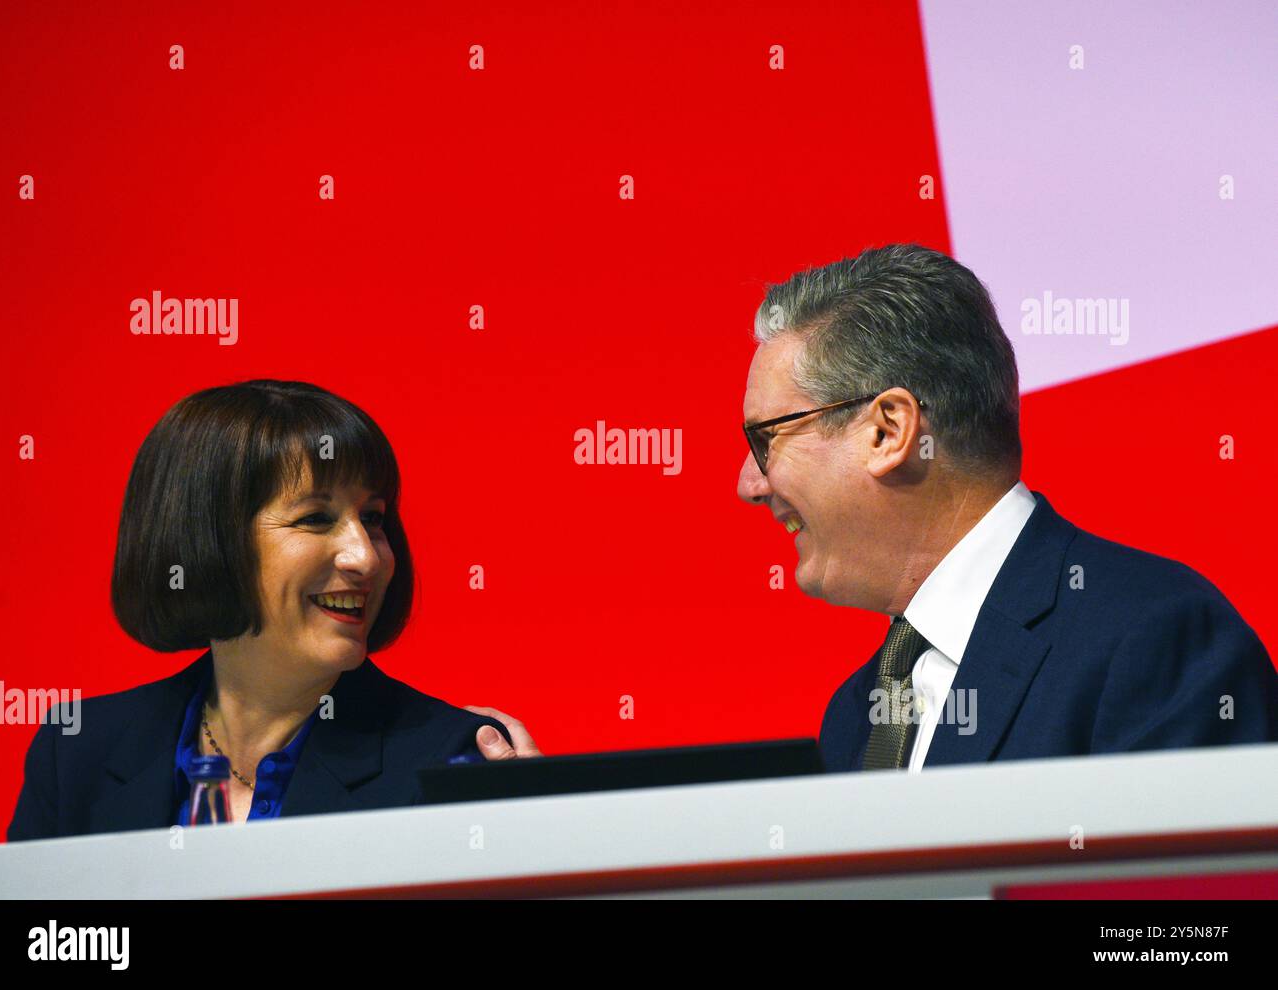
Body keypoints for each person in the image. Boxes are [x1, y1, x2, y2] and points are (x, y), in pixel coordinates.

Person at [476, 244, 1278, 772]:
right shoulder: (857, 715)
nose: (747, 485)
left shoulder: (1152, 640)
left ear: (889, 430)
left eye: (766, 440)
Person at [7, 380, 508, 841]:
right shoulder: (76, 749)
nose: (367, 556)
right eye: (315, 517)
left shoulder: (452, 760)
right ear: (206, 539)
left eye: (372, 518)